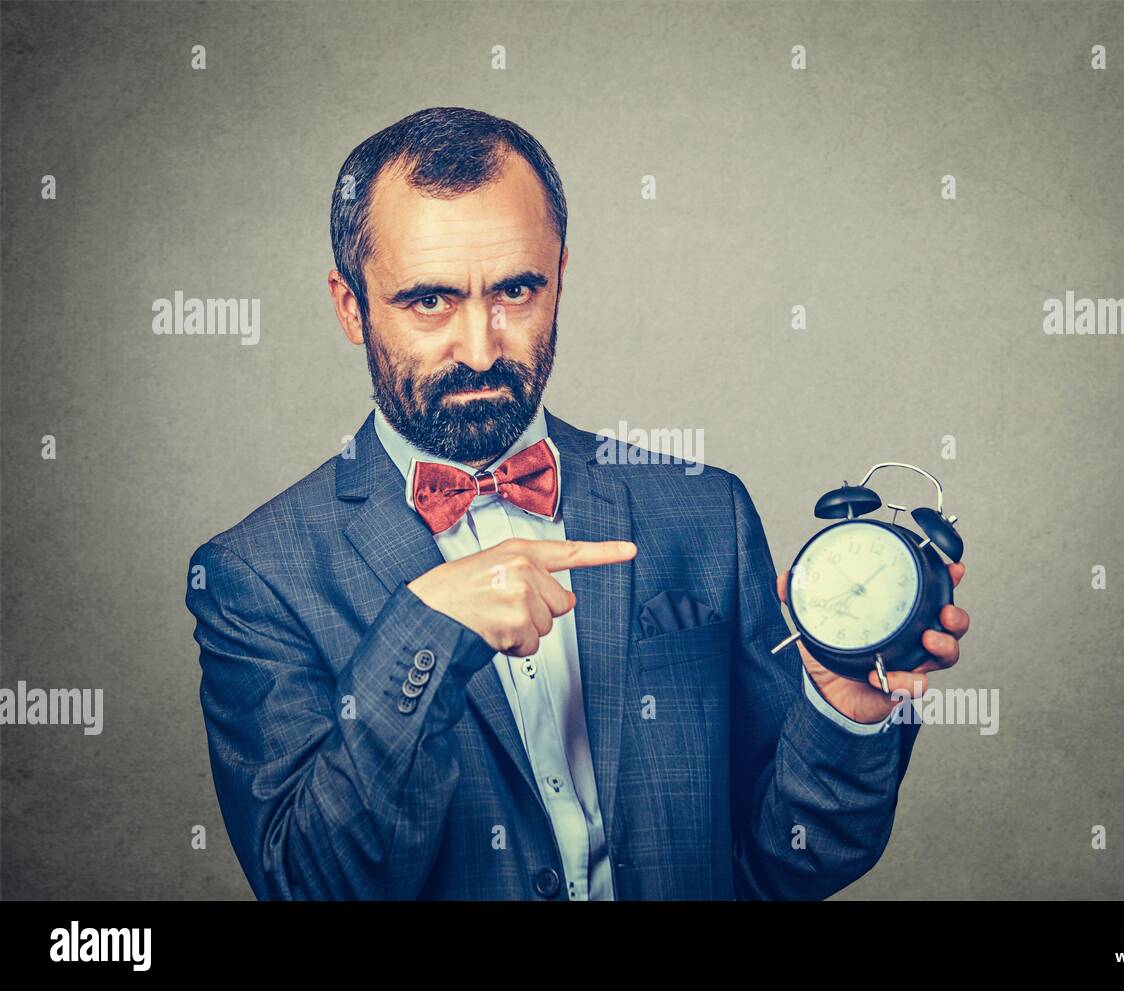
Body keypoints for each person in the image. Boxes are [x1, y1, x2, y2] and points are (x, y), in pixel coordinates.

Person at [185, 106, 971, 900]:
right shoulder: (255, 575)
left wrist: (842, 713)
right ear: (350, 304)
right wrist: (426, 629)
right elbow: (312, 886)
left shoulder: (706, 515)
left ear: (561, 271)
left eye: (517, 290)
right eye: (429, 302)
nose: (482, 346)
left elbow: (783, 864)